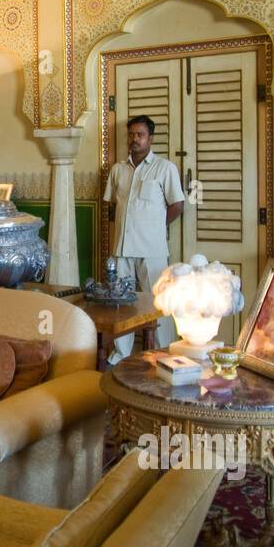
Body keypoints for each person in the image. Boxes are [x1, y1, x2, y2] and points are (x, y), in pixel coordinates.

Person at [105, 115, 185, 363]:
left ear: (150, 138)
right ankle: (120, 354)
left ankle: (166, 353)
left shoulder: (165, 168)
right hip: (122, 249)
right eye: (131, 134)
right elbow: (112, 206)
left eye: (140, 135)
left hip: (152, 250)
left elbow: (178, 205)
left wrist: (154, 228)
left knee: (159, 302)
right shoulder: (118, 169)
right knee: (121, 303)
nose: (134, 139)